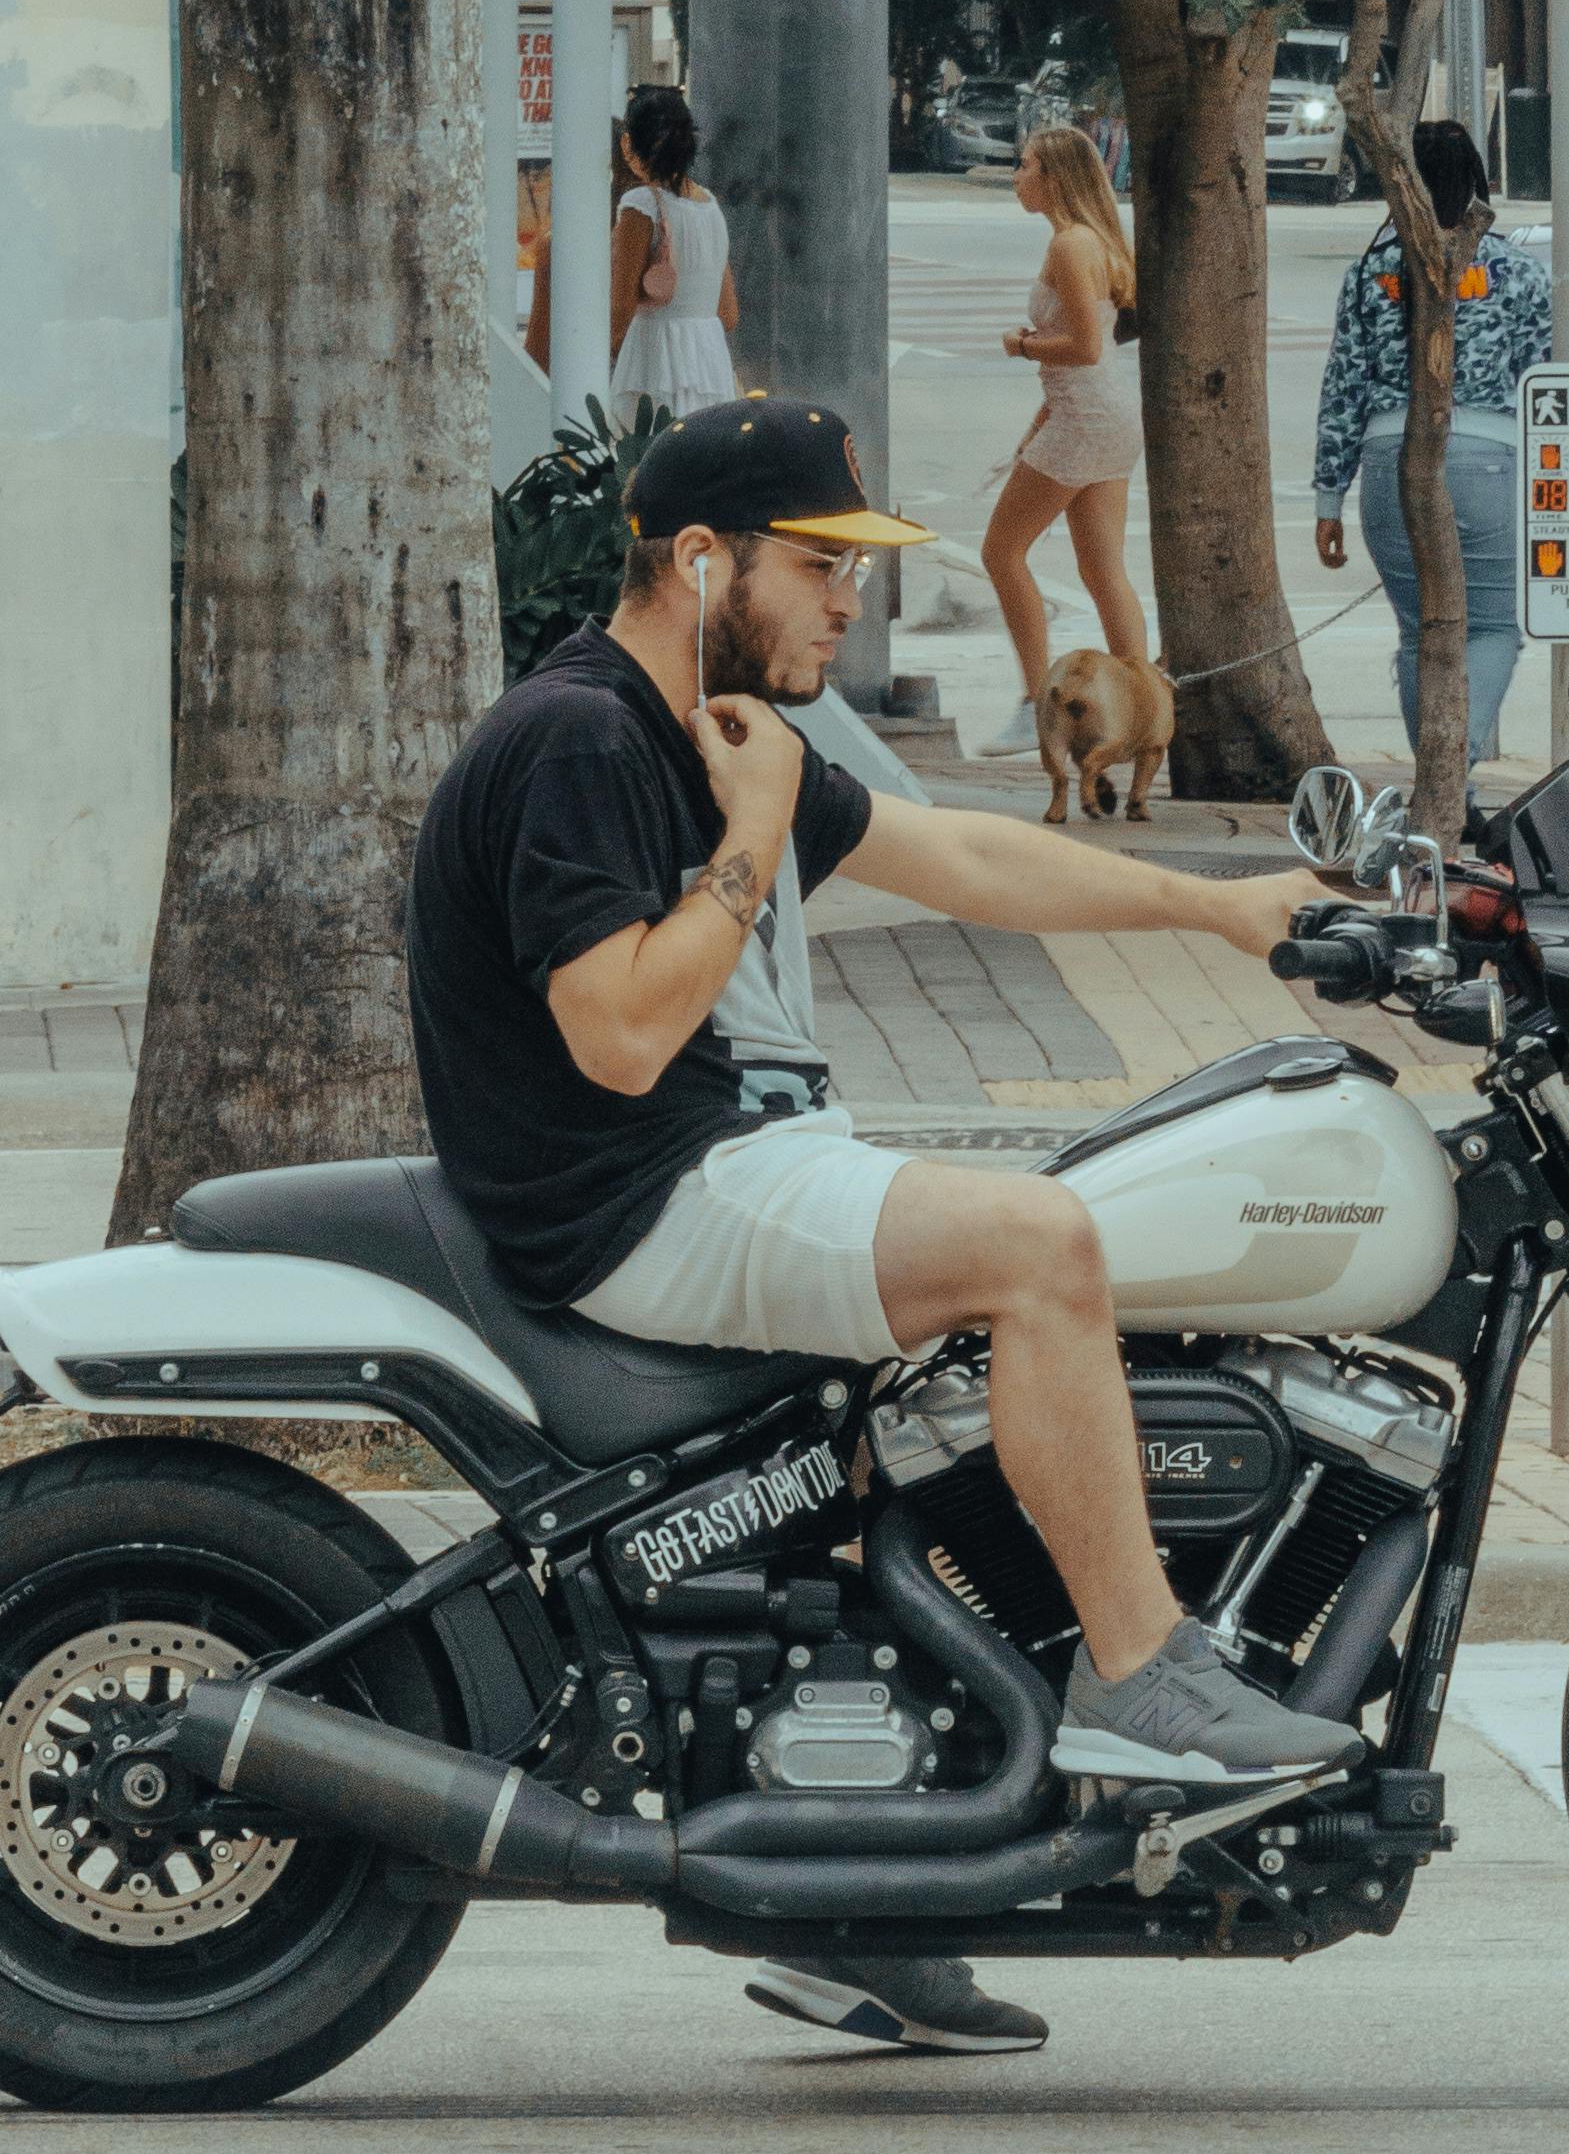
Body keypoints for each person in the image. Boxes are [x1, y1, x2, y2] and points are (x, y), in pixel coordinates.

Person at [407, 397, 1358, 2061]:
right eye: (817, 569)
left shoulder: (716, 718)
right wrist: (752, 831)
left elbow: (966, 855)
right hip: (645, 1194)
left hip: (732, 1162)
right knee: (1037, 1244)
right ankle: (1141, 1670)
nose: (849, 606)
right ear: (702, 559)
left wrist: (1217, 909)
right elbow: (621, 1036)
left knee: (972, 1382)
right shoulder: (584, 738)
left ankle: (881, 1891)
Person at [1309, 120, 1555, 793]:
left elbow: (1343, 389)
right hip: (1490, 463)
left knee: (1420, 636)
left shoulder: (1370, 274)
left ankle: (1446, 789)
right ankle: (1452, 778)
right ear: (1476, 183)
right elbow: (1543, 384)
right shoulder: (1518, 272)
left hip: (1387, 462)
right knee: (1493, 629)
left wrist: (1328, 499)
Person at [981, 122, 1149, 757]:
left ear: (1053, 177)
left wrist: (1021, 344)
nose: (1017, 177)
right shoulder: (1086, 241)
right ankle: (1138, 714)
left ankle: (1036, 704)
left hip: (1086, 419)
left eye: (1026, 166)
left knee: (1001, 552)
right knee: (1103, 569)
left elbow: (1082, 346)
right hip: (1094, 417)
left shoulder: (1072, 247)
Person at [608, 86, 740, 427]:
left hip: (655, 360)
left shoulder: (642, 205)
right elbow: (728, 313)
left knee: (648, 461)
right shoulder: (709, 205)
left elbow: (619, 311)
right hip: (709, 365)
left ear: (629, 145)